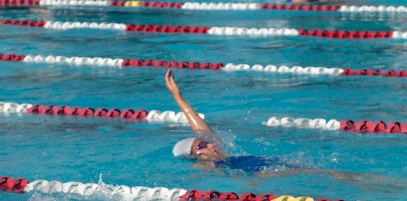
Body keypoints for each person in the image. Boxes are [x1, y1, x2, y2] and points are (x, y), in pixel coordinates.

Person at [165, 69, 385, 185]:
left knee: (329, 172)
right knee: (329, 173)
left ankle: (381, 183)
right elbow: (194, 174)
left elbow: (198, 127)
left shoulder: (220, 152)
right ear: (196, 155)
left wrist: (178, 97)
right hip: (265, 176)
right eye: (202, 145)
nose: (209, 143)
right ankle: (383, 185)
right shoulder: (209, 165)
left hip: (273, 166)